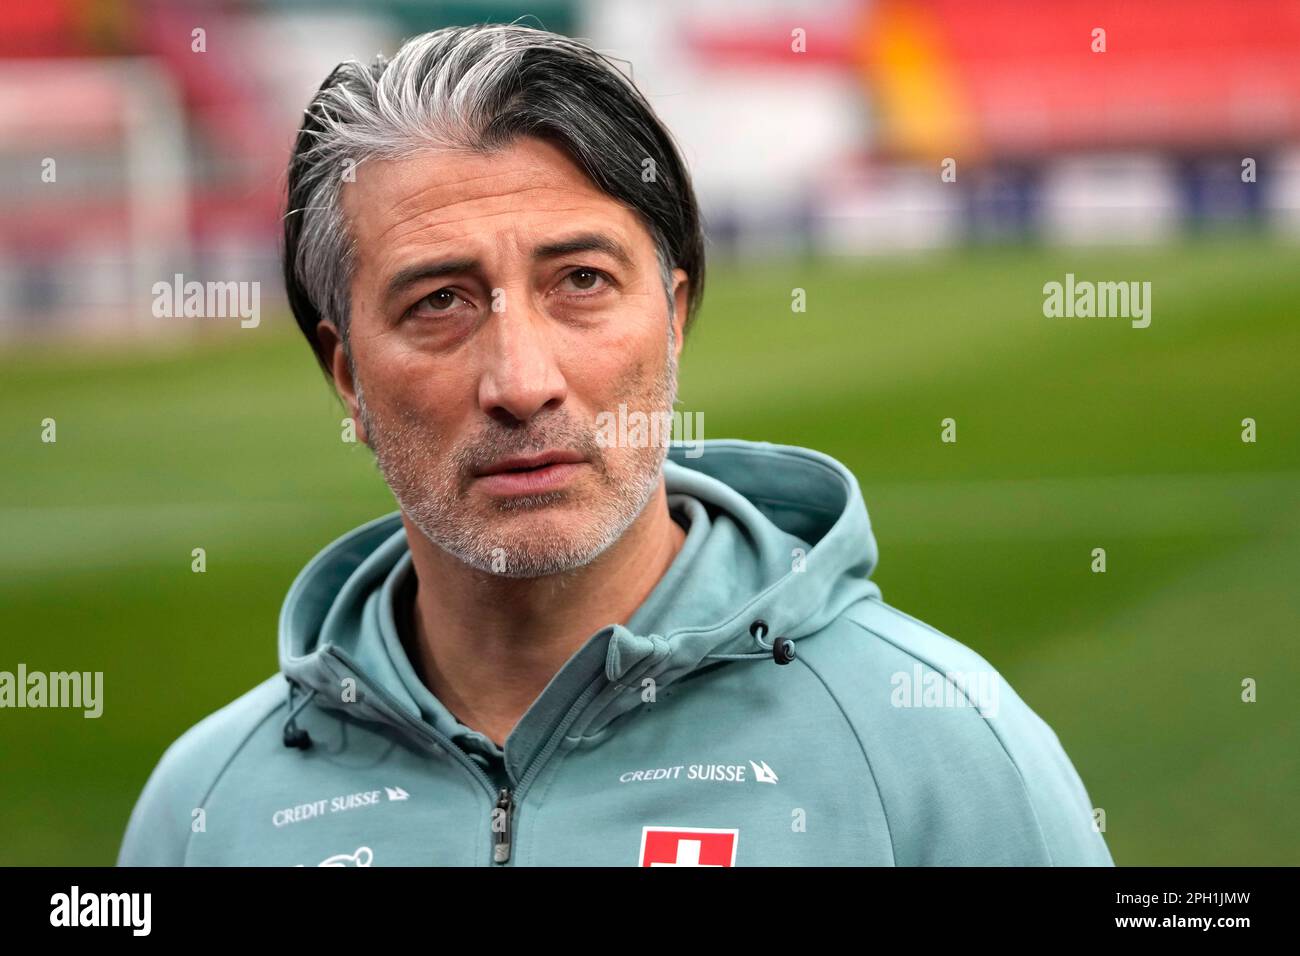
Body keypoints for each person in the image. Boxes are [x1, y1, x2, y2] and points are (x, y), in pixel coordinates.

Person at [117, 23, 1113, 866]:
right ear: (347, 377)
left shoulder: (937, 749)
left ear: (673, 314)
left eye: (582, 281)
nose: (521, 381)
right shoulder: (207, 807)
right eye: (438, 302)